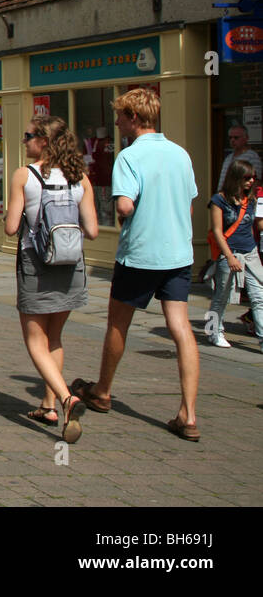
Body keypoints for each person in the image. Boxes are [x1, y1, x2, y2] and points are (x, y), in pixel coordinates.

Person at [70, 88, 201, 441]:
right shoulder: (180, 154)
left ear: (134, 118)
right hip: (178, 255)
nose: (116, 122)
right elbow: (189, 205)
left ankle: (103, 391)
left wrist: (124, 207)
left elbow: (125, 206)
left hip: (140, 254)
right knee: (181, 327)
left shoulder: (129, 157)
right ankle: (188, 414)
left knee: (118, 323)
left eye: (120, 116)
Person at [3, 117, 99, 443]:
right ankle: (47, 406)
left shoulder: (24, 176)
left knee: (34, 340)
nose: (24, 141)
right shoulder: (79, 178)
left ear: (43, 141)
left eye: (28, 136)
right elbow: (94, 231)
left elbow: (12, 227)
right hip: (72, 264)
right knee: (54, 338)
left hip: (36, 264)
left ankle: (66, 398)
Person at [205, 160, 259, 348]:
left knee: (259, 296)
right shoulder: (219, 200)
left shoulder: (250, 199)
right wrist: (229, 257)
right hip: (228, 252)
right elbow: (218, 231)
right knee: (221, 296)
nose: (251, 181)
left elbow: (253, 226)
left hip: (250, 252)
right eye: (247, 177)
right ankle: (213, 331)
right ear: (235, 177)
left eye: (253, 177)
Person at [217, 124, 261, 195]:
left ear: (246, 138)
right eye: (230, 138)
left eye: (236, 138)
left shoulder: (252, 156)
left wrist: (249, 201)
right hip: (225, 199)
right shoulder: (228, 158)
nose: (232, 140)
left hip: (242, 200)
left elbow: (256, 181)